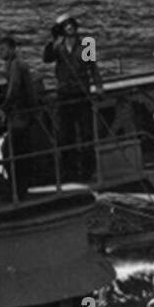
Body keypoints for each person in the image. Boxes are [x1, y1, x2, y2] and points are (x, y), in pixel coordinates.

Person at [42, 12, 104, 182]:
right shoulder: (58, 46)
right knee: (64, 135)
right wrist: (52, 40)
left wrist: (98, 87)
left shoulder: (86, 44)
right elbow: (46, 59)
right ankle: (69, 172)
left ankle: (87, 171)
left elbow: (93, 68)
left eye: (72, 24)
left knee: (86, 134)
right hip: (64, 94)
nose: (70, 27)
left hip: (82, 94)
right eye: (66, 25)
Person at [0, 36, 43, 196]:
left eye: (3, 49)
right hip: (20, 115)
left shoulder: (16, 65)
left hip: (22, 115)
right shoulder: (13, 65)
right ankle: (19, 187)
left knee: (10, 150)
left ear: (12, 49)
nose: (0, 52)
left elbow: (14, 90)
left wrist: (3, 109)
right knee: (17, 151)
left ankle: (18, 189)